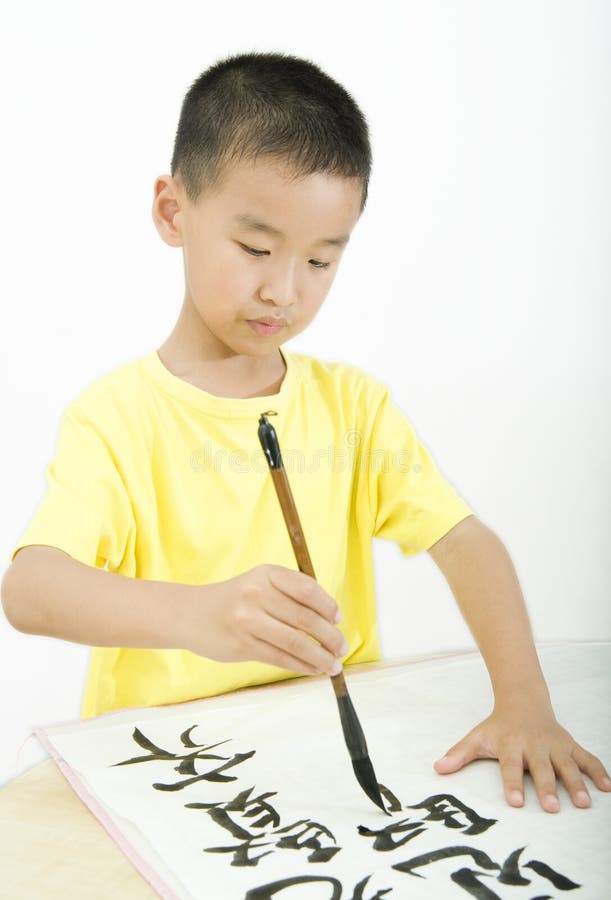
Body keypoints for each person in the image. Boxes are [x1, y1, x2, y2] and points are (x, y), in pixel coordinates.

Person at [2, 51, 609, 815]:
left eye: (321, 259)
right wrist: (196, 615)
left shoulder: (353, 407)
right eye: (256, 248)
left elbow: (466, 543)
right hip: (167, 783)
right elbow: (30, 589)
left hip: (323, 772)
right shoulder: (115, 418)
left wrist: (525, 704)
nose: (282, 290)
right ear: (172, 210)